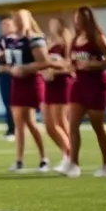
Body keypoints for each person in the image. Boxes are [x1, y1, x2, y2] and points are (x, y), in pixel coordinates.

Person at [67, 6, 106, 177]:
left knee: (98, 126)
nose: (77, 21)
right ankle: (73, 164)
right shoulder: (75, 39)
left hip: (96, 84)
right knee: (72, 124)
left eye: (80, 18)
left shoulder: (97, 37)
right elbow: (76, 59)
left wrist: (92, 65)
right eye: (76, 17)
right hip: (79, 84)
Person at [1, 9, 51, 173]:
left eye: (22, 19)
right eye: (16, 19)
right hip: (17, 82)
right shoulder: (10, 40)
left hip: (31, 81)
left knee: (32, 122)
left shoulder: (35, 38)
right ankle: (19, 160)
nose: (19, 22)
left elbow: (43, 62)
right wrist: (10, 68)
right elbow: (9, 63)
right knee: (18, 123)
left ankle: (44, 157)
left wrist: (25, 68)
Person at [43, 16, 75, 172]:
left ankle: (70, 157)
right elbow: (43, 62)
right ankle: (65, 152)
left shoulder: (66, 41)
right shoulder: (48, 41)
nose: (52, 25)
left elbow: (70, 65)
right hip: (48, 84)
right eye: (51, 23)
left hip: (62, 82)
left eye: (55, 23)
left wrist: (55, 69)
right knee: (49, 125)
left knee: (59, 122)